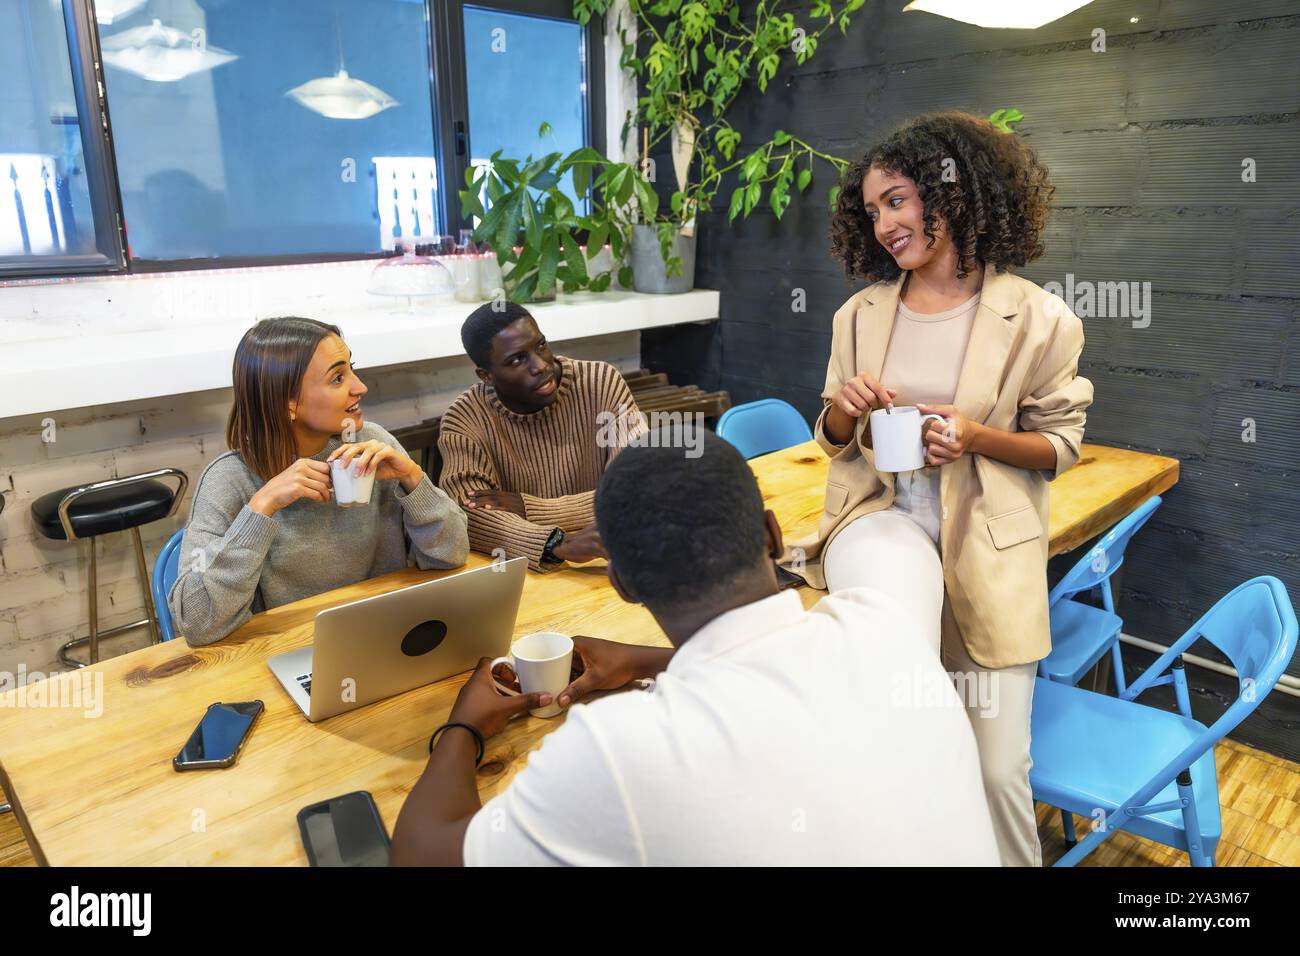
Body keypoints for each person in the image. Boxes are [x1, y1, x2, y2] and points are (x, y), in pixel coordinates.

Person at [390, 431, 998, 866]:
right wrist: (652, 661)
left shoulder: (617, 750)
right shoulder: (884, 628)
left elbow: (418, 855)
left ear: (621, 585)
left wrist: (464, 728)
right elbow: (768, 678)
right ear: (771, 535)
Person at [785, 111, 1094, 866]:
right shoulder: (858, 314)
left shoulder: (1042, 319)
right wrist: (841, 409)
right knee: (910, 723)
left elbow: (1060, 447)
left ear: (951, 193)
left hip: (989, 542)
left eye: (897, 200)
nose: (886, 223)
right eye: (872, 211)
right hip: (879, 518)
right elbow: (828, 441)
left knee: (995, 769)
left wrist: (974, 436)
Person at [169, 317, 469, 646]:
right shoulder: (229, 479)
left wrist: (414, 479)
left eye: (352, 368)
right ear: (289, 403)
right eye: (338, 377)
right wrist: (261, 507)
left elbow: (452, 555)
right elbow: (196, 622)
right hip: (286, 653)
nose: (360, 387)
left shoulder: (371, 444)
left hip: (386, 637)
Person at [437, 301, 645, 571]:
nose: (541, 366)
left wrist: (529, 508)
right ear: (486, 376)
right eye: (517, 360)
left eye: (541, 346)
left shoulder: (600, 383)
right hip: (530, 571)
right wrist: (556, 544)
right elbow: (468, 516)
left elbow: (640, 487)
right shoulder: (464, 419)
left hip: (610, 561)